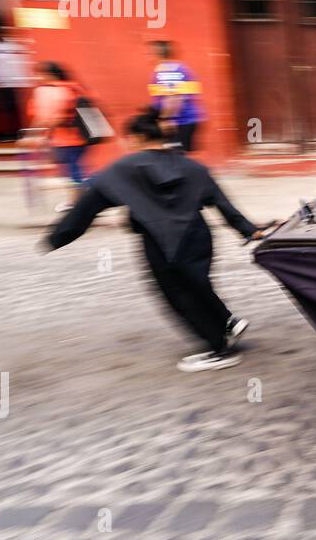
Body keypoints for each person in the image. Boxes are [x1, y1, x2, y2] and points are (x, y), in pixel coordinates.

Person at [45, 108, 267, 372]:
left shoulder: (121, 170)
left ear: (137, 138)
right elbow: (221, 202)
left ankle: (219, 349)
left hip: (160, 240)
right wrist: (248, 230)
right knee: (196, 283)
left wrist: (58, 237)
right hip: (197, 234)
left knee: (179, 294)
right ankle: (227, 322)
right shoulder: (192, 166)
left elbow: (87, 205)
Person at [23, 61, 90, 207]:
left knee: (71, 172)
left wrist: (36, 136)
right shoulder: (74, 87)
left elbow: (45, 118)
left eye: (39, 74)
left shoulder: (48, 91)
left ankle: (76, 202)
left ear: (49, 75)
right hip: (83, 136)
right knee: (77, 169)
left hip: (63, 140)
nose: (38, 78)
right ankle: (81, 199)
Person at [149, 40, 207, 152]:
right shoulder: (180, 68)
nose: (148, 56)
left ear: (157, 54)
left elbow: (173, 98)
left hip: (178, 122)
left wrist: (165, 119)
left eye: (149, 53)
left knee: (172, 156)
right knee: (178, 155)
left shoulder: (165, 71)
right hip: (187, 120)